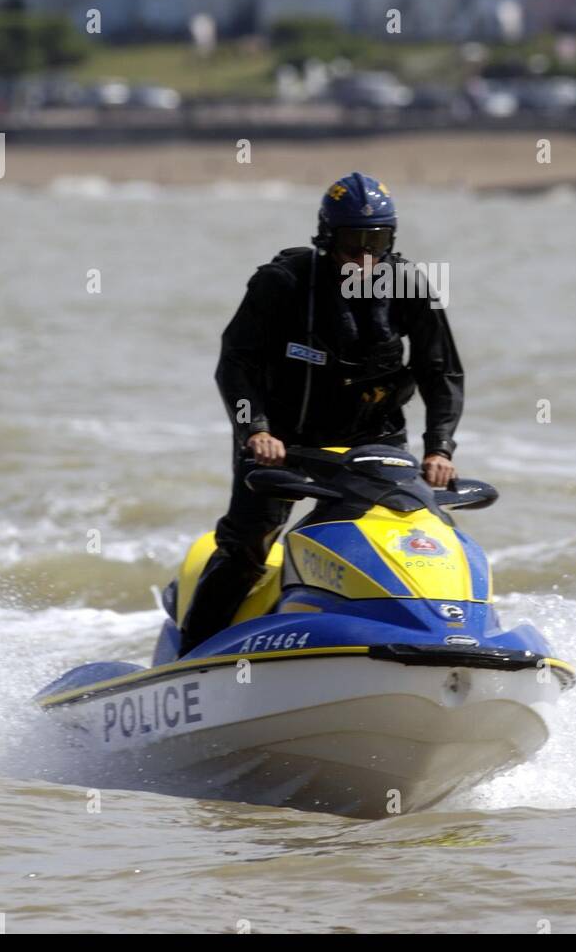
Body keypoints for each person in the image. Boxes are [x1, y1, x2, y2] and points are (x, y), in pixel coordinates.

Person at [178, 172, 464, 655]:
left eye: (376, 242)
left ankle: (431, 633)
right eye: (352, 243)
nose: (364, 256)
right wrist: (256, 430)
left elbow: (442, 374)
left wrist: (439, 447)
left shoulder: (411, 286)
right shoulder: (283, 284)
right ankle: (191, 656)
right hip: (281, 442)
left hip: (374, 443)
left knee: (413, 529)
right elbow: (236, 363)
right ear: (327, 239)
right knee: (249, 544)